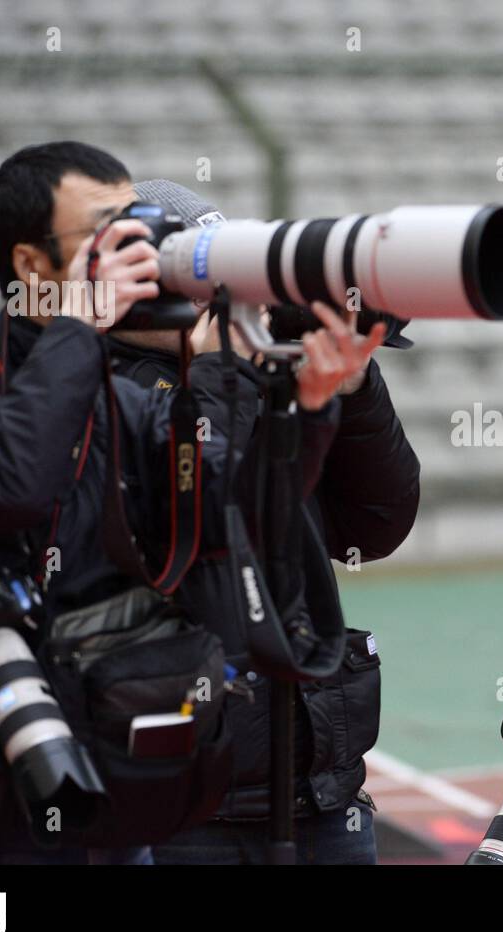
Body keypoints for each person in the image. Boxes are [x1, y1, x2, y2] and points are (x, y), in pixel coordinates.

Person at [0, 142, 360, 863]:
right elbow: (12, 485)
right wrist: (79, 325)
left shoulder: (121, 398)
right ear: (30, 264)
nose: (138, 246)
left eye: (138, 223)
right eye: (106, 231)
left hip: (114, 767)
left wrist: (311, 406)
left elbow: (236, 520)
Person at [110, 180, 419, 865]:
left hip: (317, 787)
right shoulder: (99, 389)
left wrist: (352, 388)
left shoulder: (261, 368)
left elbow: (376, 525)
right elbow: (205, 524)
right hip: (184, 805)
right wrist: (226, 370)